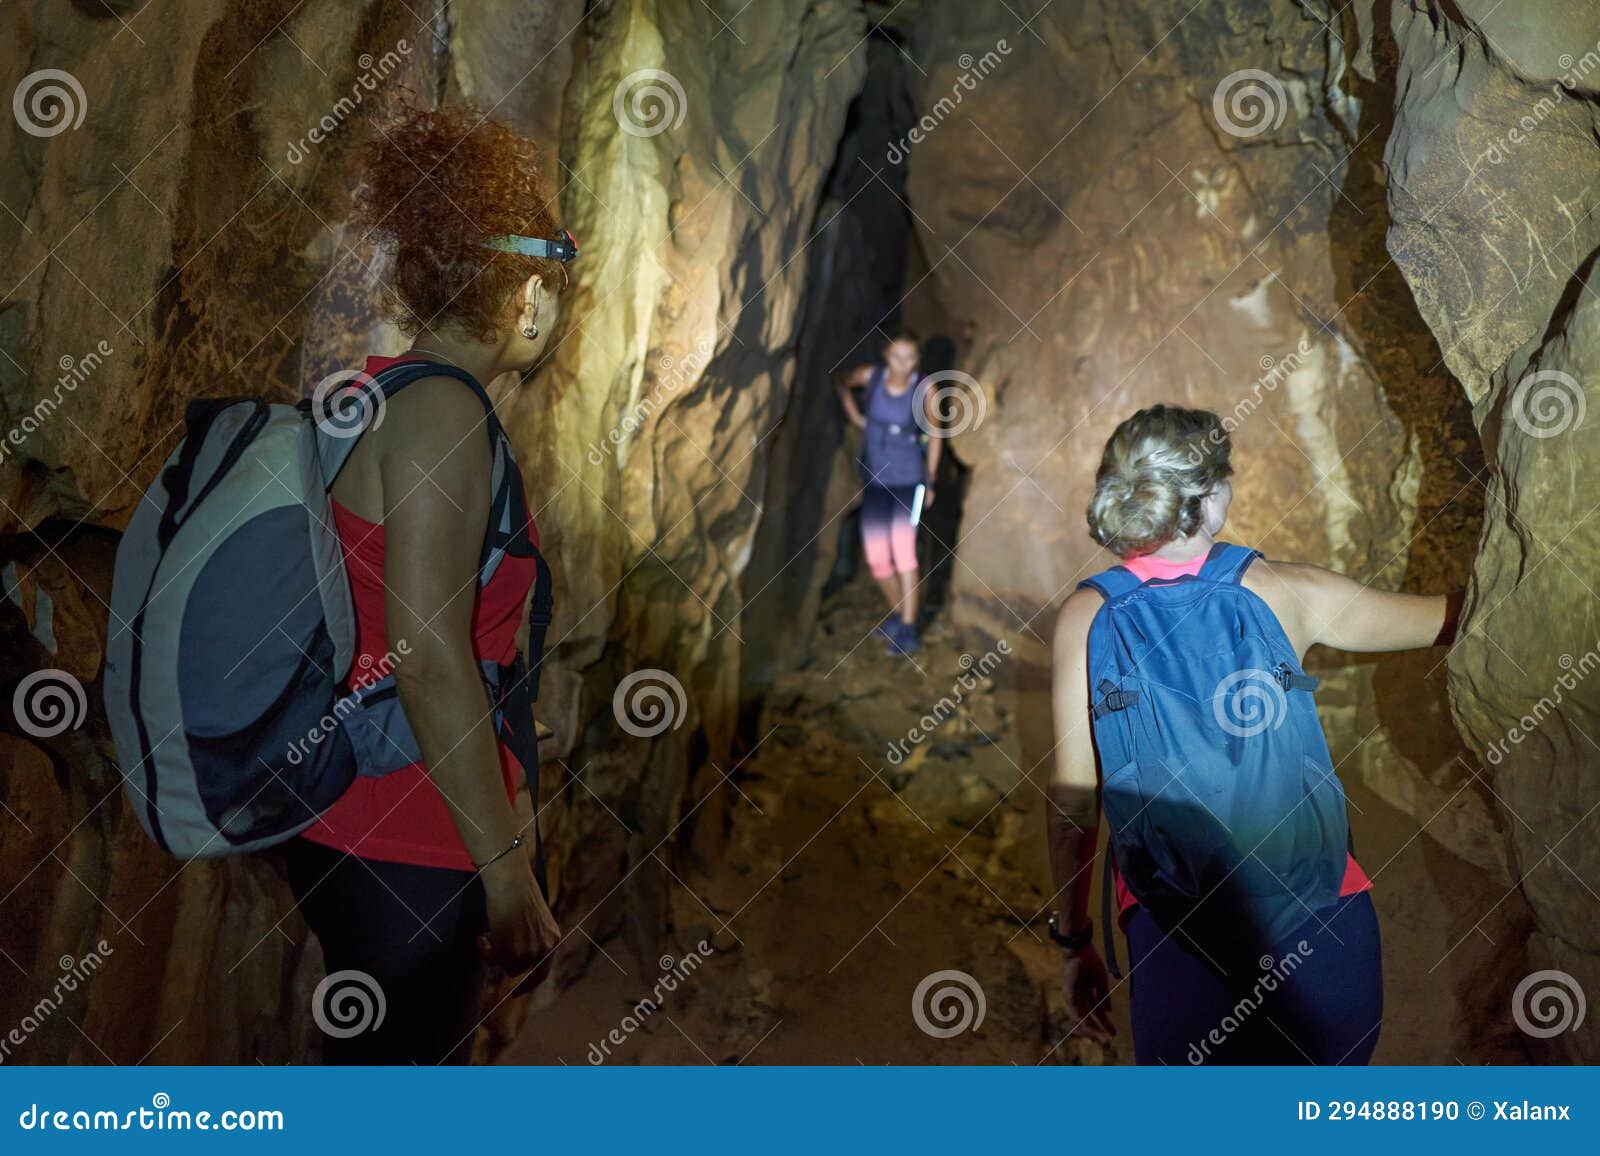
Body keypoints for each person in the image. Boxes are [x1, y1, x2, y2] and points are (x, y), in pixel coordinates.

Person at [1047, 405, 1463, 1064]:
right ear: (1211, 502)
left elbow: (1073, 807)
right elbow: (1451, 620)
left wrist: (1074, 942)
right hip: (1324, 943)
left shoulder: (1086, 620)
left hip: (1178, 950)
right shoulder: (1289, 594)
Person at [286, 102, 571, 1064]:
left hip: (363, 818)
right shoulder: (447, 412)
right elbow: (430, 654)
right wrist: (504, 876)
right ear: (526, 294)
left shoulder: (382, 393)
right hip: (407, 835)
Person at [836, 333, 941, 655]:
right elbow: (842, 382)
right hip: (875, 479)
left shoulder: (925, 389)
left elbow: (936, 435)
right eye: (897, 356)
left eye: (910, 357)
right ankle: (898, 614)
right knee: (878, 559)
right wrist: (855, 415)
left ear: (917, 360)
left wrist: (931, 481)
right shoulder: (872, 376)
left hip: (909, 480)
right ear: (886, 357)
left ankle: (908, 629)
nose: (903, 364)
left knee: (904, 553)